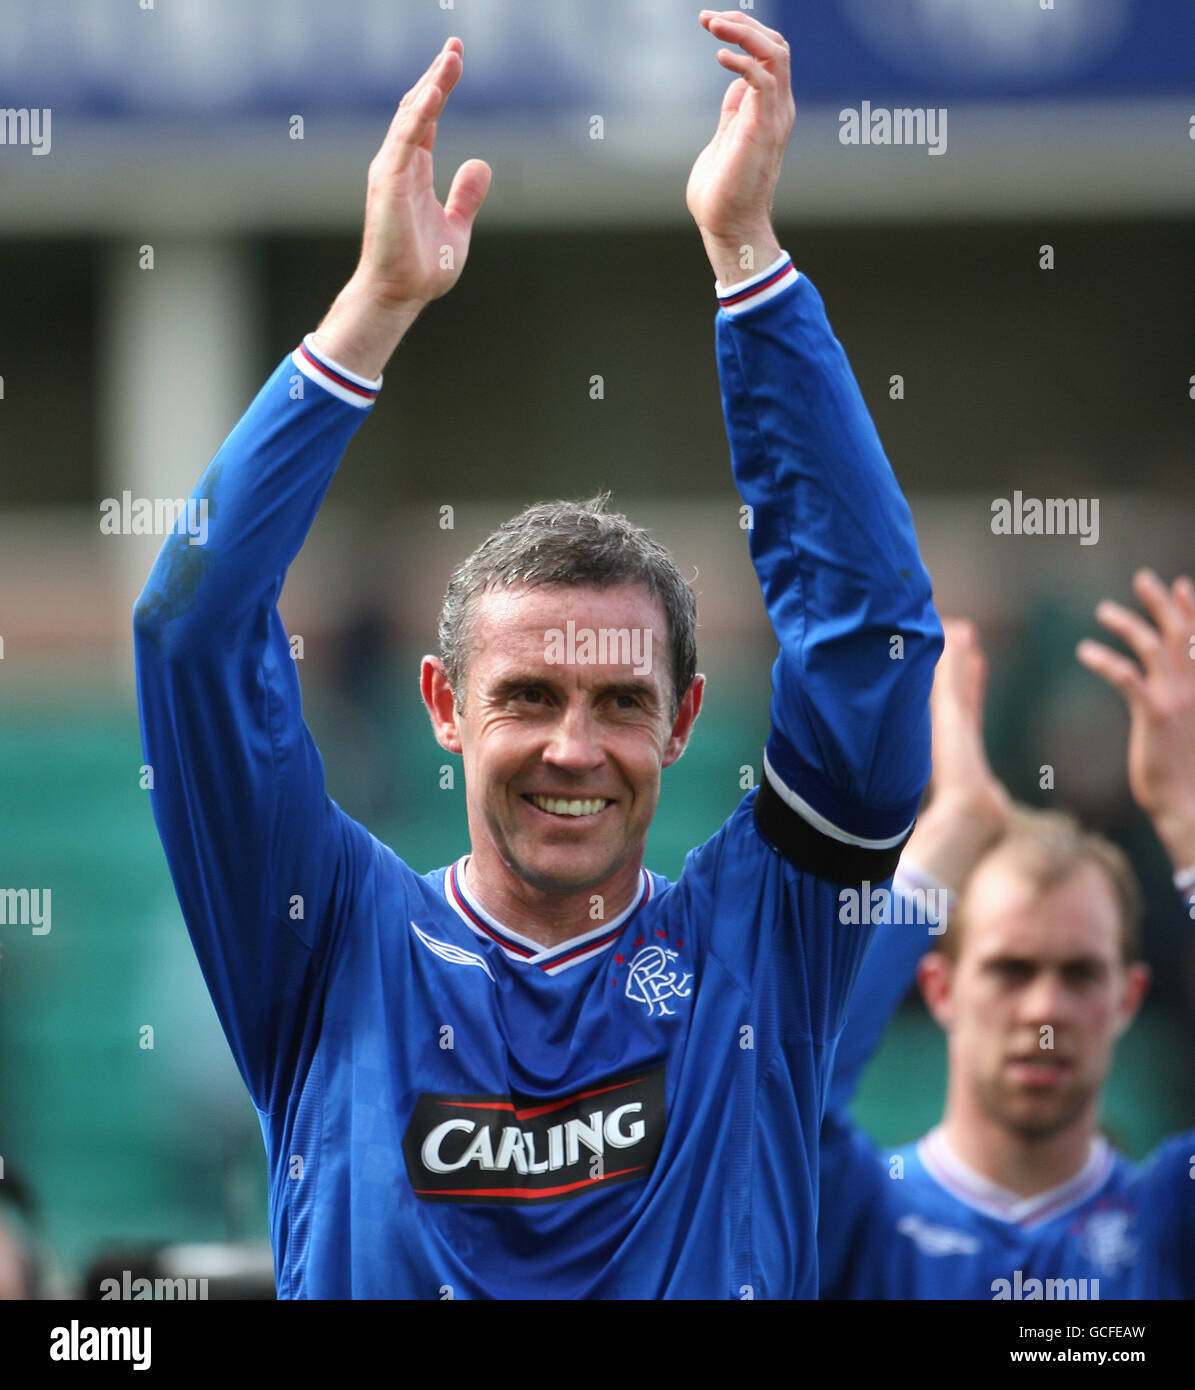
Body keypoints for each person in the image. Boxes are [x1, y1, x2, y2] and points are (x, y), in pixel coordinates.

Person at [133, 12, 940, 1299]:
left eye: (622, 700)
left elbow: (876, 643)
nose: (576, 746)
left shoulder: (762, 940)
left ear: (684, 722)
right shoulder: (326, 938)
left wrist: (746, 257)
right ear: (443, 704)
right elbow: (190, 631)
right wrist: (374, 305)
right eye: (529, 696)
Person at [819, 574, 1195, 1299]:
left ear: (1128, 997)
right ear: (937, 985)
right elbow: (776, 1084)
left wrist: (1185, 820)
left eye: (1080, 973)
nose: (1043, 1010)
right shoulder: (855, 1209)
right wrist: (953, 826)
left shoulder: (1168, 1219)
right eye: (1009, 970)